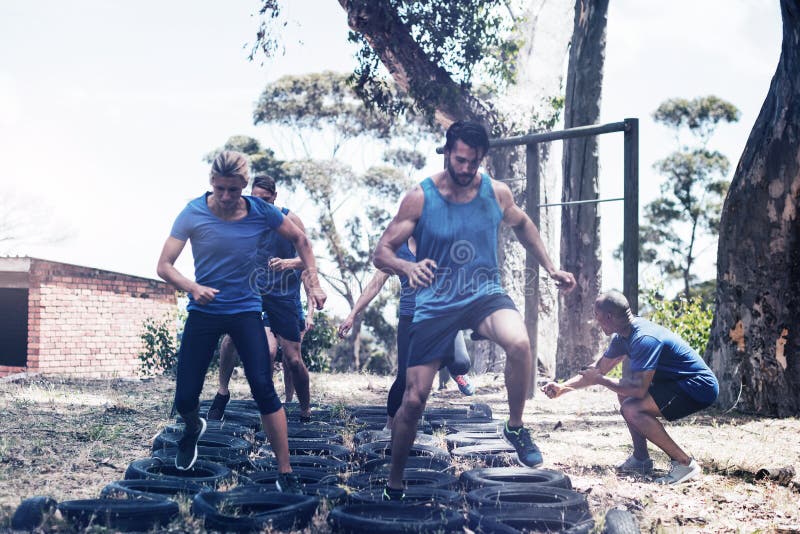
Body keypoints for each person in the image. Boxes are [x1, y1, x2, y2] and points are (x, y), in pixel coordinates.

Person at [372, 120, 576, 500]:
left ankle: (515, 426)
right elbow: (381, 252)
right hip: (436, 303)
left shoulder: (495, 193)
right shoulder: (421, 197)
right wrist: (407, 266)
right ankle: (395, 482)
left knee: (519, 343)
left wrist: (550, 267)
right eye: (461, 160)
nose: (467, 169)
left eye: (474, 162)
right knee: (414, 400)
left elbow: (524, 223)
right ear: (448, 152)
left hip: (483, 293)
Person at [156, 151, 326, 494]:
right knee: (186, 397)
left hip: (246, 309)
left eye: (233, 190)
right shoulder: (193, 212)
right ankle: (193, 428)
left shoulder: (261, 211)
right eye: (219, 189)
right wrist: (192, 287)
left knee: (263, 387)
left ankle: (285, 470)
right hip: (204, 310)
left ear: (244, 186)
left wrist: (316, 283)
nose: (226, 197)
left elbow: (302, 241)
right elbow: (164, 265)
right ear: (211, 183)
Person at [541, 290, 719, 485]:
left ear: (608, 317)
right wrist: (562, 388)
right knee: (624, 396)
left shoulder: (644, 338)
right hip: (675, 383)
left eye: (597, 315)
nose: (595, 320)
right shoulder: (622, 336)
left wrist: (600, 380)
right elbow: (598, 370)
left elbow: (637, 389)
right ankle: (641, 460)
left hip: (698, 386)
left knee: (632, 407)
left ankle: (684, 463)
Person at [207, 175, 315, 423]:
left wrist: (288, 263)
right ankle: (222, 393)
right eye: (255, 200)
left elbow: (308, 257)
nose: (260, 205)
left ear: (275, 198)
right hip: (253, 291)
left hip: (284, 296)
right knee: (231, 339)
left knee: (294, 360)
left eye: (265, 200)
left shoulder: (290, 219)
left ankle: (305, 409)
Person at [337, 238, 474, 431]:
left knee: (461, 363)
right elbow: (375, 285)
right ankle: (389, 426)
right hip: (411, 319)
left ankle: (451, 369)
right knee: (405, 378)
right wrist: (352, 314)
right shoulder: (398, 250)